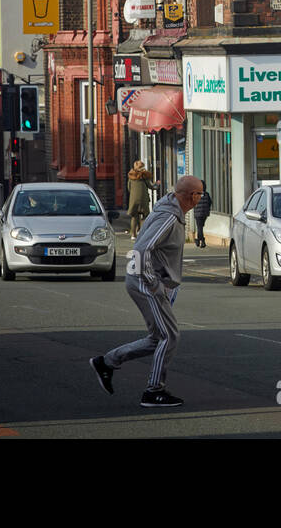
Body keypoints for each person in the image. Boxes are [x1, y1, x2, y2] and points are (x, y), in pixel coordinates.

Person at [90, 175, 204, 408]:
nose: (201, 199)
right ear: (192, 197)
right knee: (170, 336)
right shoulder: (169, 217)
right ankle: (154, 391)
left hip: (149, 281)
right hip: (146, 282)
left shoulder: (170, 208)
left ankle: (107, 362)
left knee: (158, 338)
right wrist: (153, 283)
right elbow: (142, 248)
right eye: (200, 194)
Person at [126, 160, 153, 238]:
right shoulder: (145, 176)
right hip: (143, 199)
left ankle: (133, 234)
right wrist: (156, 185)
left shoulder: (131, 176)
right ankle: (142, 232)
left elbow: (129, 188)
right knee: (145, 216)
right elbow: (150, 186)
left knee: (134, 216)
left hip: (133, 200)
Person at [192, 181, 212, 248]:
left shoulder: (196, 194)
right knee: (200, 227)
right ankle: (198, 240)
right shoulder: (207, 194)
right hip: (205, 213)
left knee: (199, 227)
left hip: (198, 213)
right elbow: (210, 202)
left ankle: (202, 241)